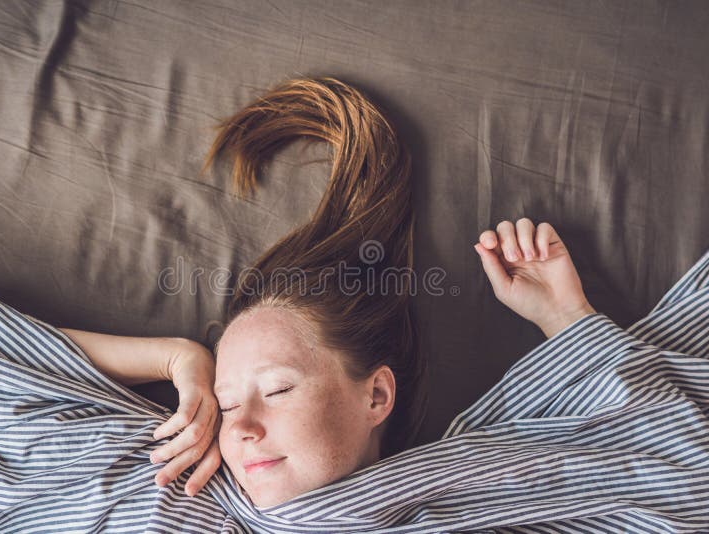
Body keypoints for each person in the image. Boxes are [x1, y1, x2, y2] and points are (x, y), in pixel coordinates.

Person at [59, 78, 596, 509]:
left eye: (277, 391)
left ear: (376, 397)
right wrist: (178, 358)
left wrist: (566, 318)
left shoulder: (468, 491)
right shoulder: (181, 473)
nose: (239, 428)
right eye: (224, 405)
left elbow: (656, 465)